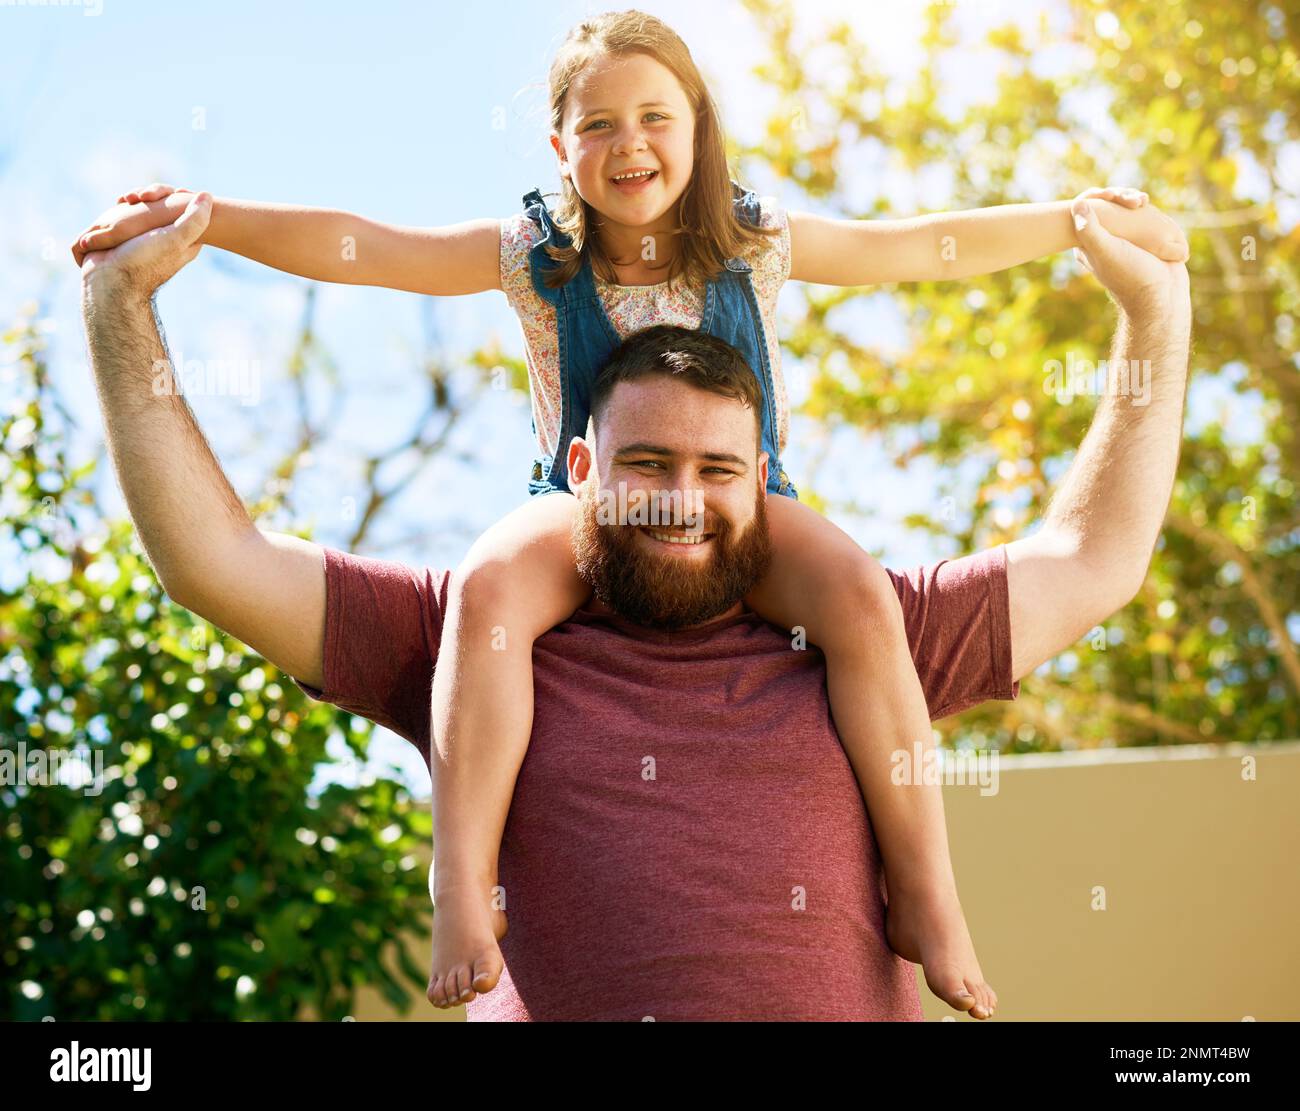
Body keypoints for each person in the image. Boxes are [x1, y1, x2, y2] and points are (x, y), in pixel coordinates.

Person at [76, 181, 1190, 1019]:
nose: (679, 501)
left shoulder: (866, 638)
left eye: (716, 472)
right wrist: (119, 308)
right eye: (644, 464)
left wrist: (1156, 314)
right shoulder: (476, 636)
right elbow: (212, 561)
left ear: (763, 480)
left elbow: (1092, 559)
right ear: (577, 470)